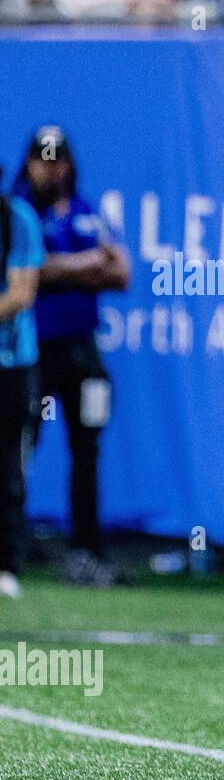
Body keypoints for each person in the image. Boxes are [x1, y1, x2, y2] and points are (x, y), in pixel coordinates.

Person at [15, 126, 130, 587]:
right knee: (19, 449)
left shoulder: (87, 213)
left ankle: (87, 550)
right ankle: (11, 548)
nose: (50, 168)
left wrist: (58, 269)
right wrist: (85, 266)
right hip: (34, 353)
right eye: (42, 159)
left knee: (88, 450)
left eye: (56, 159)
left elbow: (121, 273)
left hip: (82, 352)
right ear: (29, 164)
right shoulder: (21, 213)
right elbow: (30, 270)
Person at [0, 184, 46, 600]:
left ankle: (7, 565)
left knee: (9, 465)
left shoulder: (19, 221)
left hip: (11, 365)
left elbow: (21, 294)